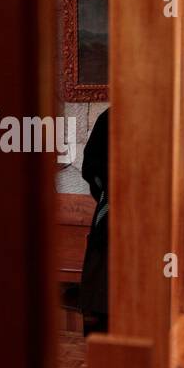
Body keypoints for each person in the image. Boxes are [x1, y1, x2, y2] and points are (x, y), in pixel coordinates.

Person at [79, 108, 109, 334]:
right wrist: (107, 190)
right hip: (112, 207)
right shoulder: (109, 117)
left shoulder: (165, 114)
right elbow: (90, 166)